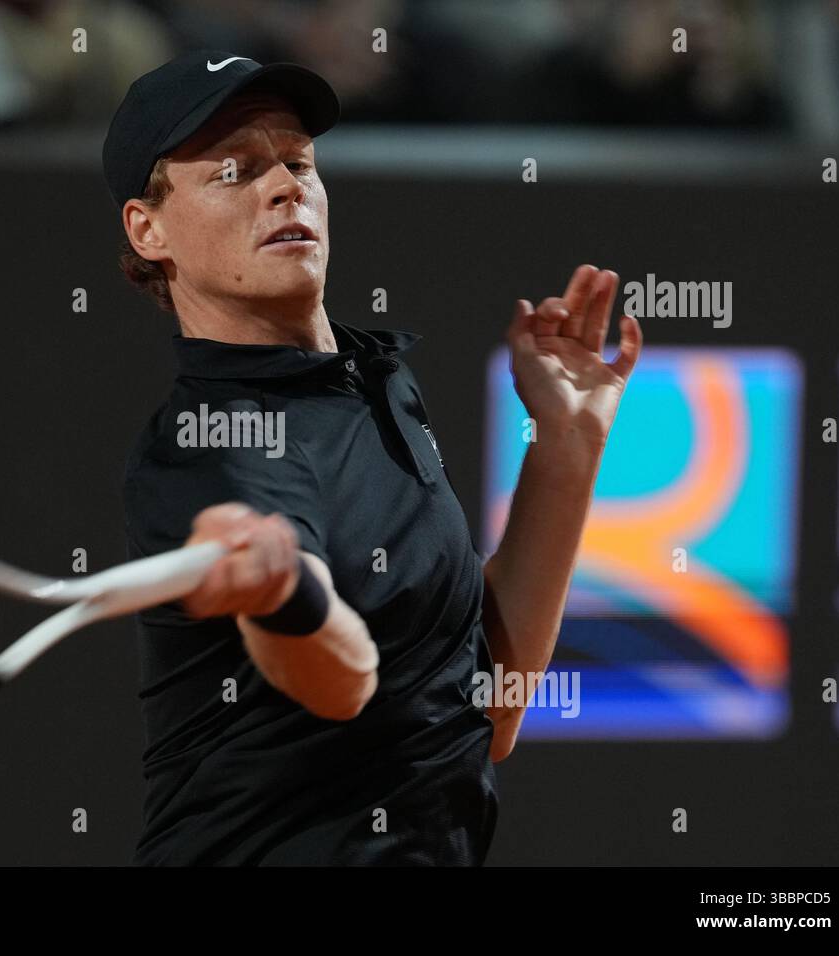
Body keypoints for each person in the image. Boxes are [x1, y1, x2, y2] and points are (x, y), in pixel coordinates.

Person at [102, 50, 643, 865]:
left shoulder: (371, 380)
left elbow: (485, 709)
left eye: (296, 163)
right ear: (149, 230)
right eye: (233, 172)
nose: (284, 187)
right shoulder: (213, 446)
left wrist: (566, 446)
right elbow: (343, 680)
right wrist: (287, 597)